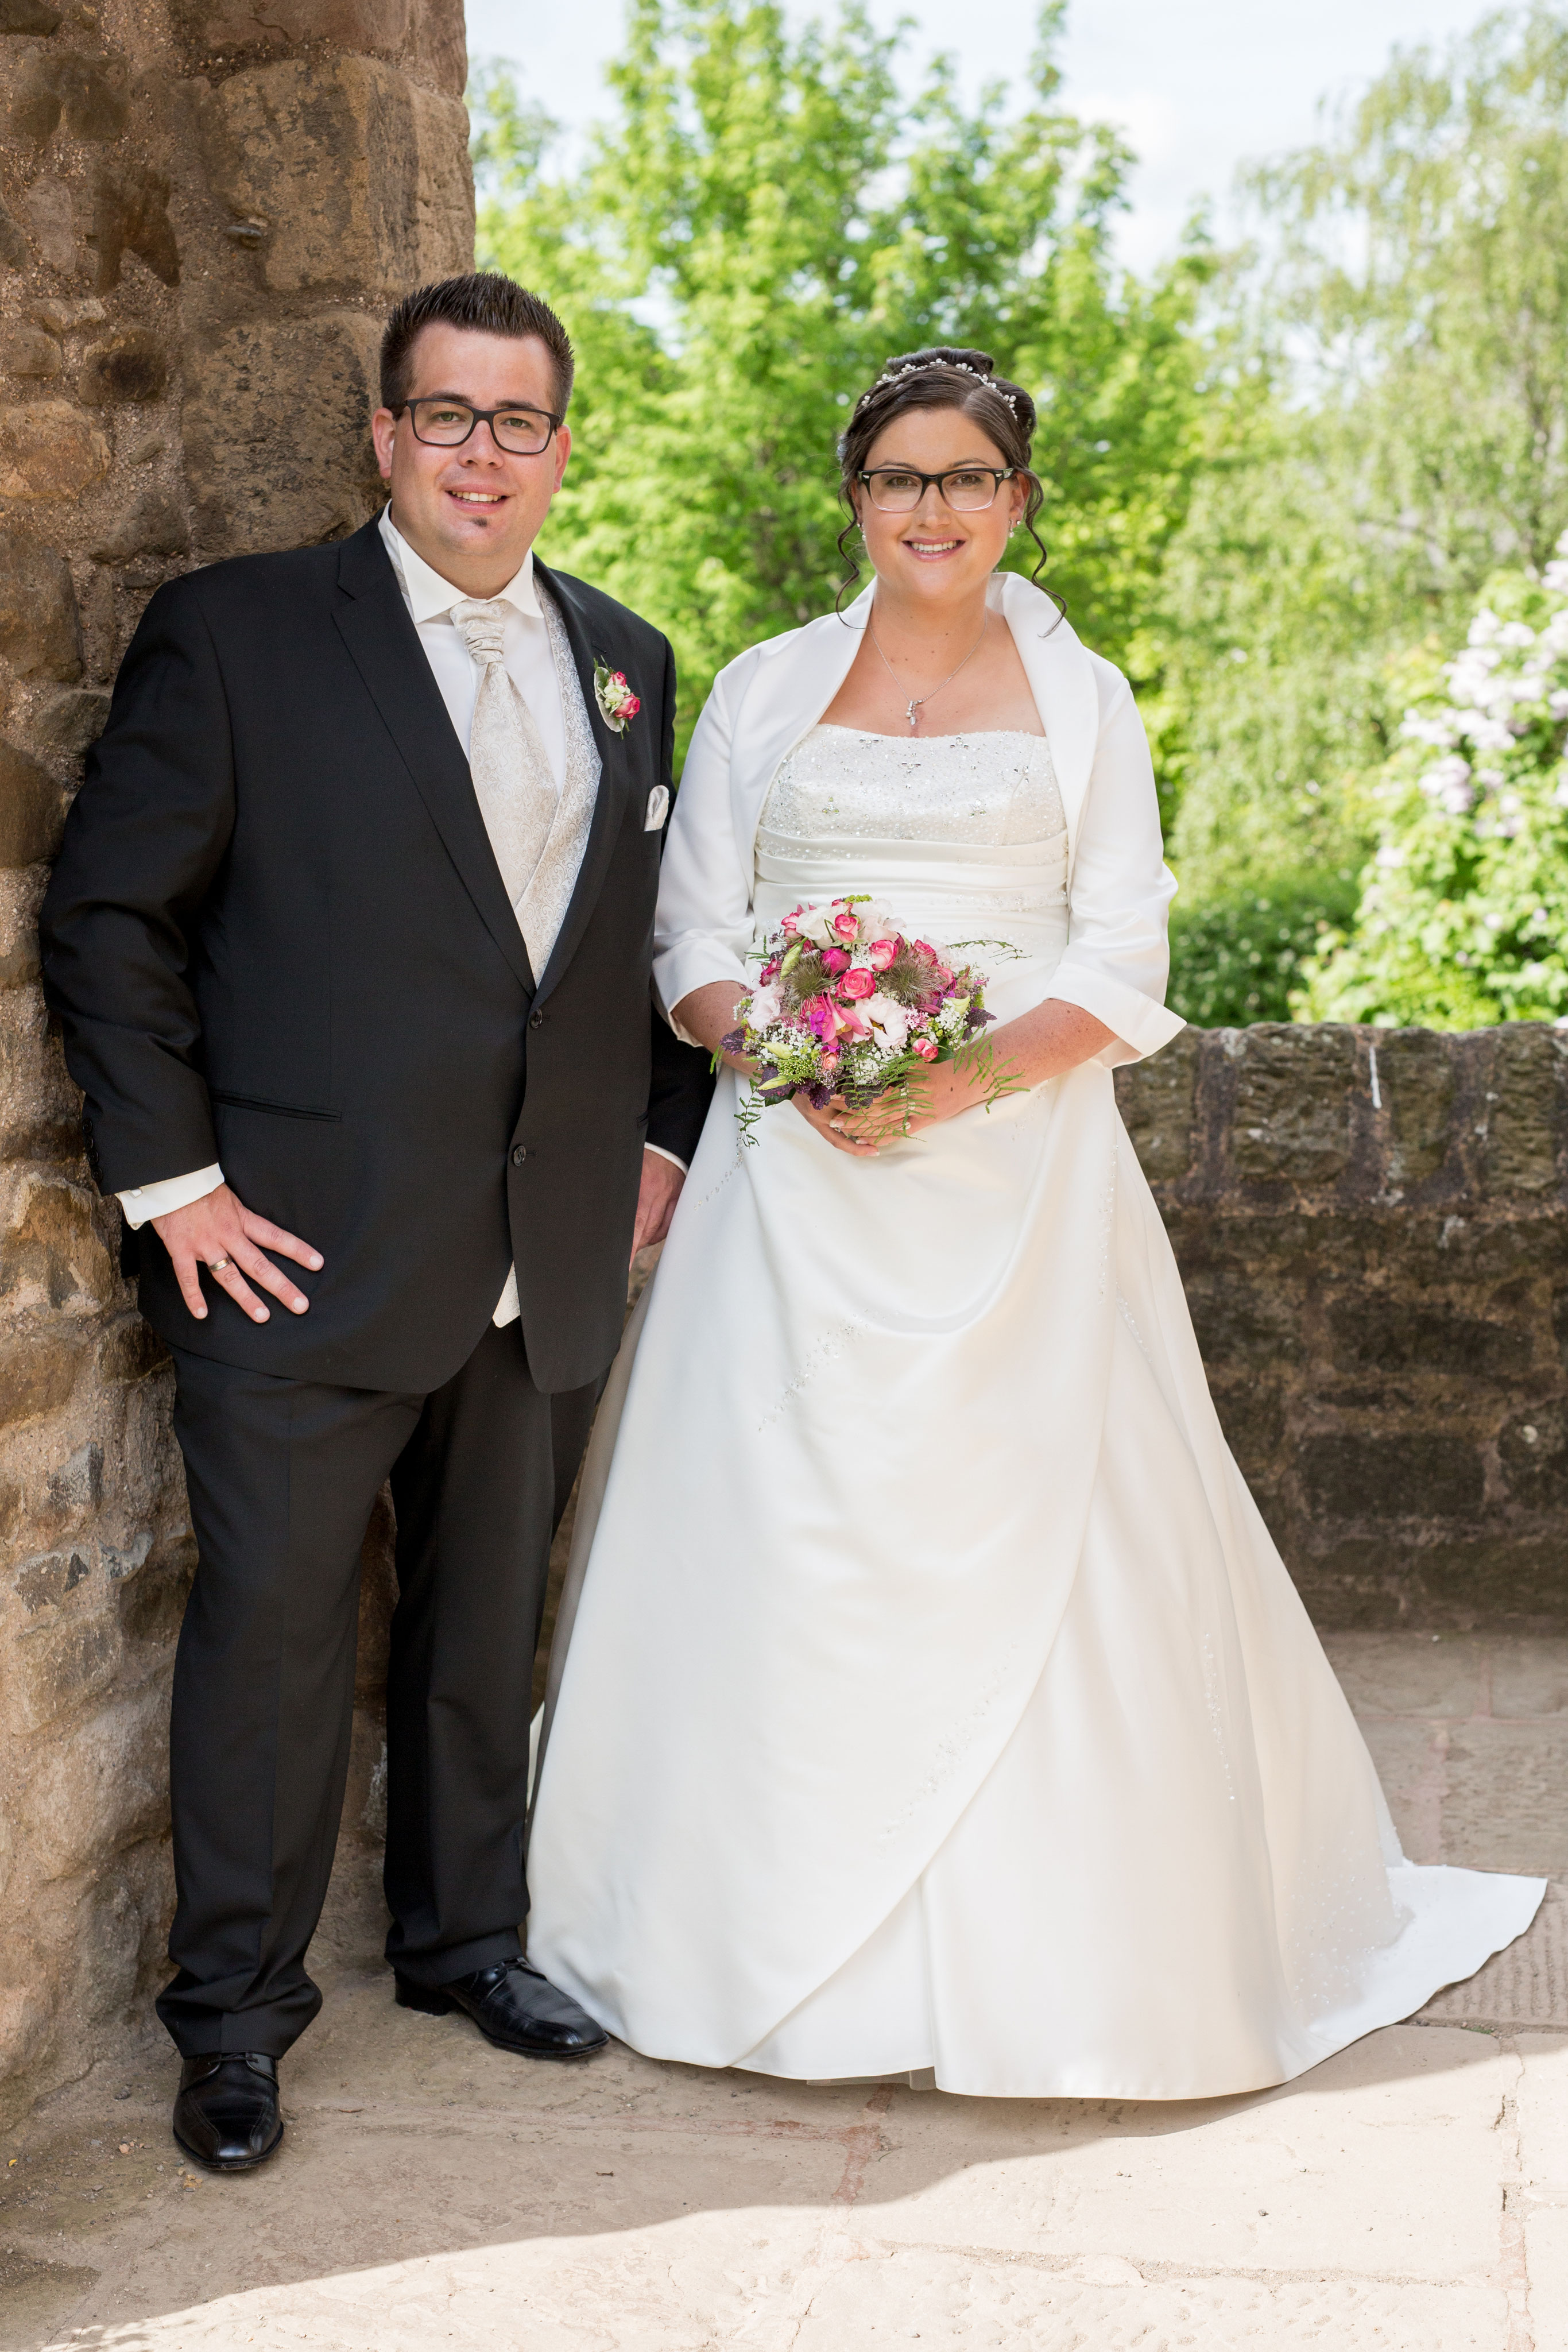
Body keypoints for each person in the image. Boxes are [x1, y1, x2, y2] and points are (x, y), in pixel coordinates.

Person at [525, 345, 1543, 2099]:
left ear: (1017, 499)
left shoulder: (1087, 706)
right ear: (854, 499)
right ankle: (740, 1927)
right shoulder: (766, 692)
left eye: (966, 478)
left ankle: (1066, 1956)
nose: (932, 510)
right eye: (898, 479)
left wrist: (941, 1088)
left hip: (1020, 1184)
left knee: (1056, 1535)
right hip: (792, 1188)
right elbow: (686, 938)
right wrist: (783, 1047)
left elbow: (1119, 966)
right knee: (773, 1524)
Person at [40, 272, 711, 2170]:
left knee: (488, 1629)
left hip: (551, 1251)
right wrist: (177, 1186)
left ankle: (466, 1945)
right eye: (446, 416)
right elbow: (109, 919)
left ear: (562, 449)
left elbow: (646, 957)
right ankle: (236, 2021)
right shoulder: (242, 635)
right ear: (383, 435)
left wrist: (659, 1142)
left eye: (518, 423)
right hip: (298, 1254)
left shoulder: (632, 661)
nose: (481, 456)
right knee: (264, 1650)